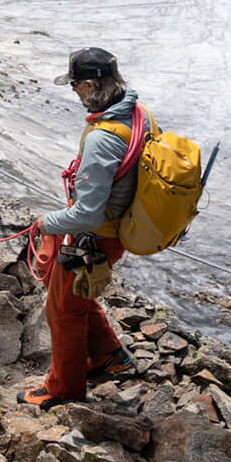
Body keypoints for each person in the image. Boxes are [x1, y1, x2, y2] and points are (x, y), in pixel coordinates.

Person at [19, 47, 142, 409]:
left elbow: (88, 214)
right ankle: (109, 355)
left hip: (96, 235)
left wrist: (47, 223)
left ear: (90, 86)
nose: (74, 93)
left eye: (75, 86)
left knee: (62, 309)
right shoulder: (137, 114)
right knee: (78, 296)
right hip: (120, 228)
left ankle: (63, 387)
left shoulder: (103, 139)